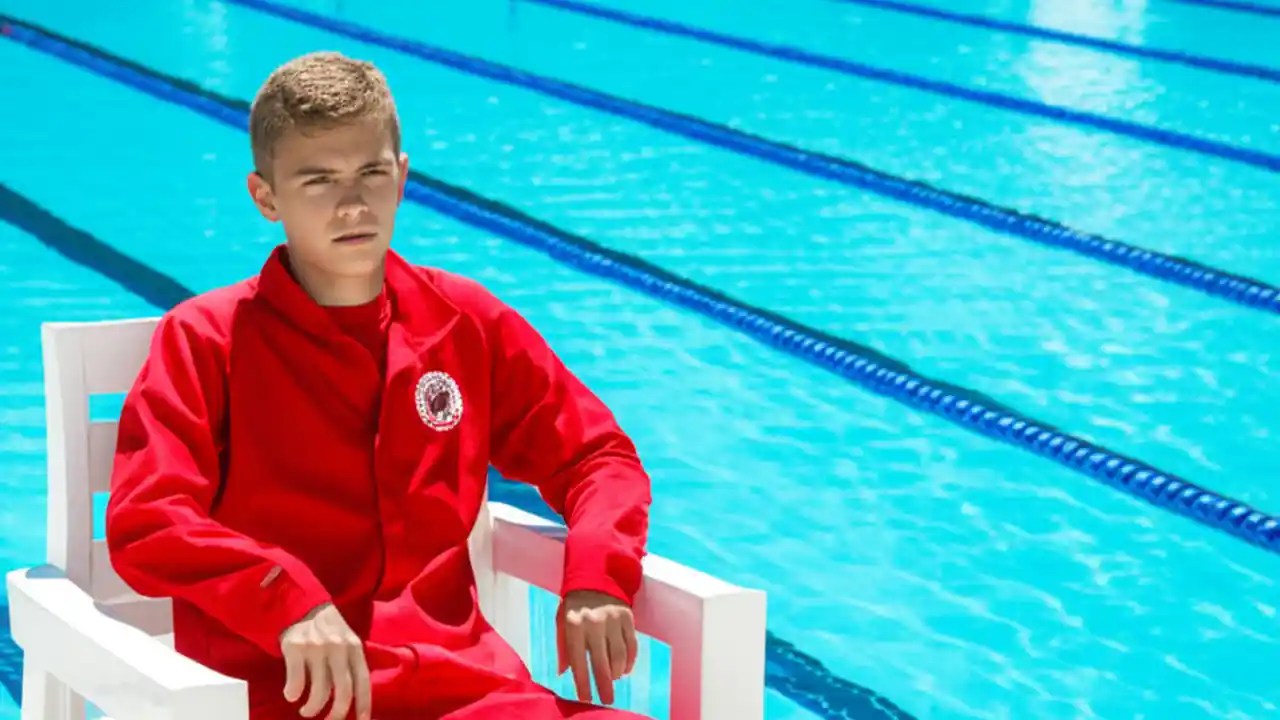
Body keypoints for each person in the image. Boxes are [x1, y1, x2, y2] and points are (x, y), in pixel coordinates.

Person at [105, 50, 654, 720]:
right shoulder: (207, 340)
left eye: (371, 173)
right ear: (266, 197)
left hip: (473, 695)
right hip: (291, 699)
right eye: (319, 181)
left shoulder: (465, 322)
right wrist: (283, 595)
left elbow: (597, 457)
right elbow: (148, 519)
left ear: (402, 177)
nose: (352, 204)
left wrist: (596, 577)